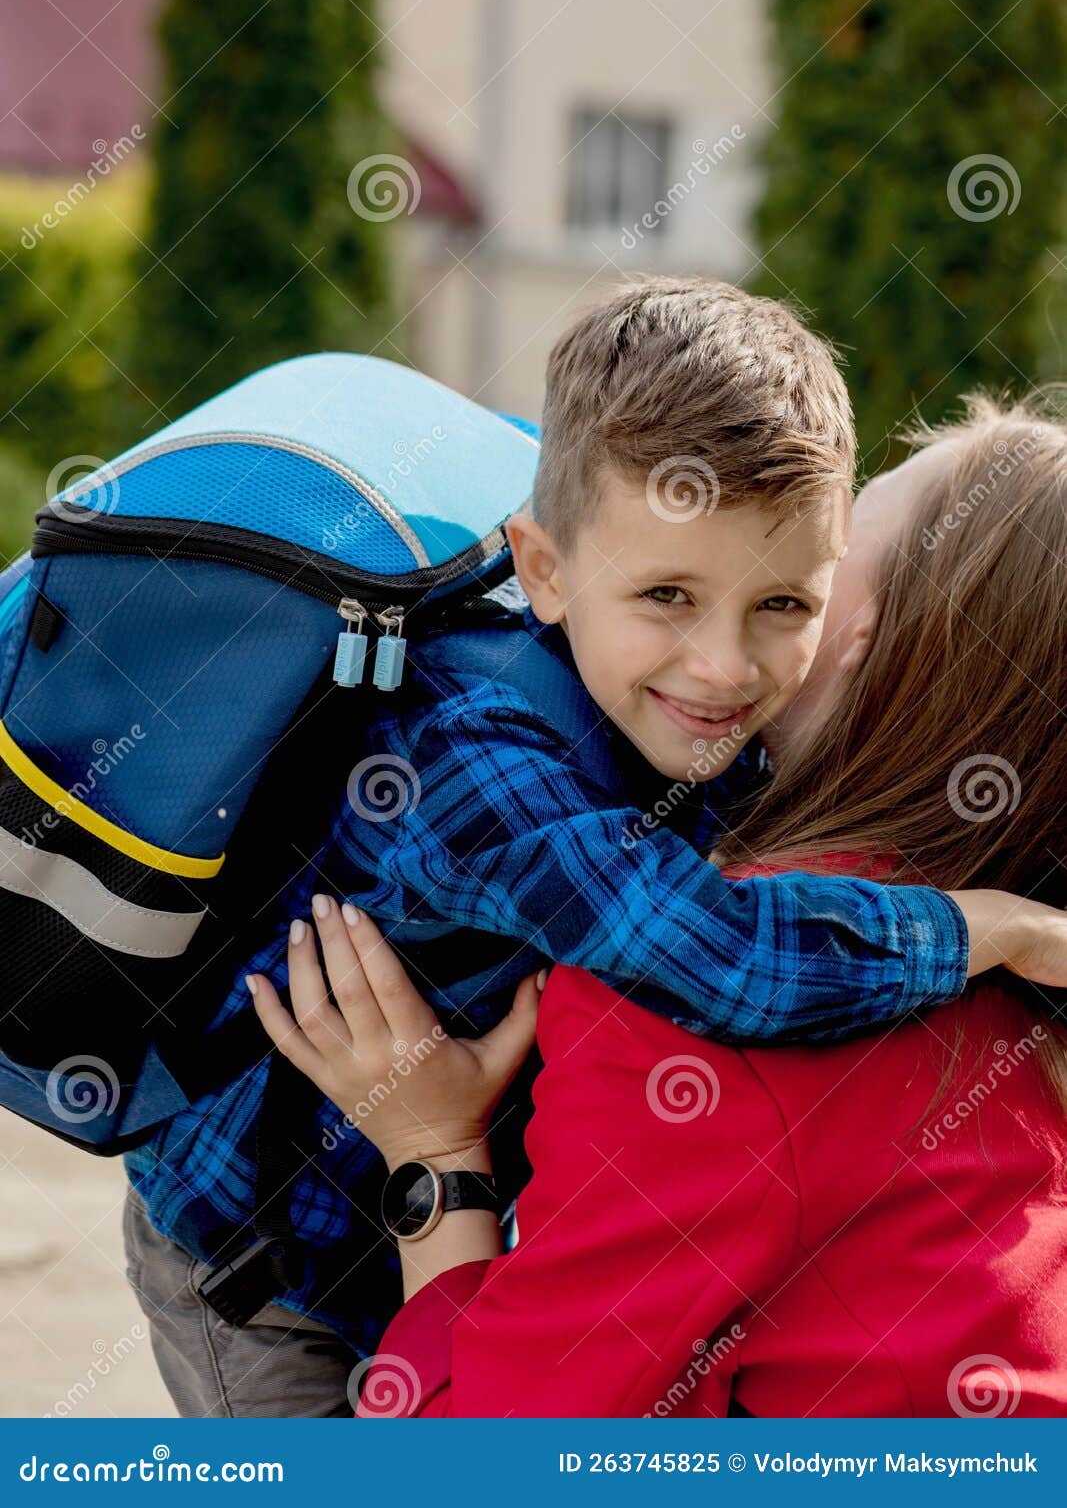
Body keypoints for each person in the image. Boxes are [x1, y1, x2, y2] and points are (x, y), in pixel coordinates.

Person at [123, 282, 1064, 1417]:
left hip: (400, 1212)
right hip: (264, 1261)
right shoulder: (476, 757)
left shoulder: (682, 726)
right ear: (545, 569)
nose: (722, 665)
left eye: (782, 603)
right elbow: (723, 958)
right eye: (667, 594)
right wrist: (990, 923)